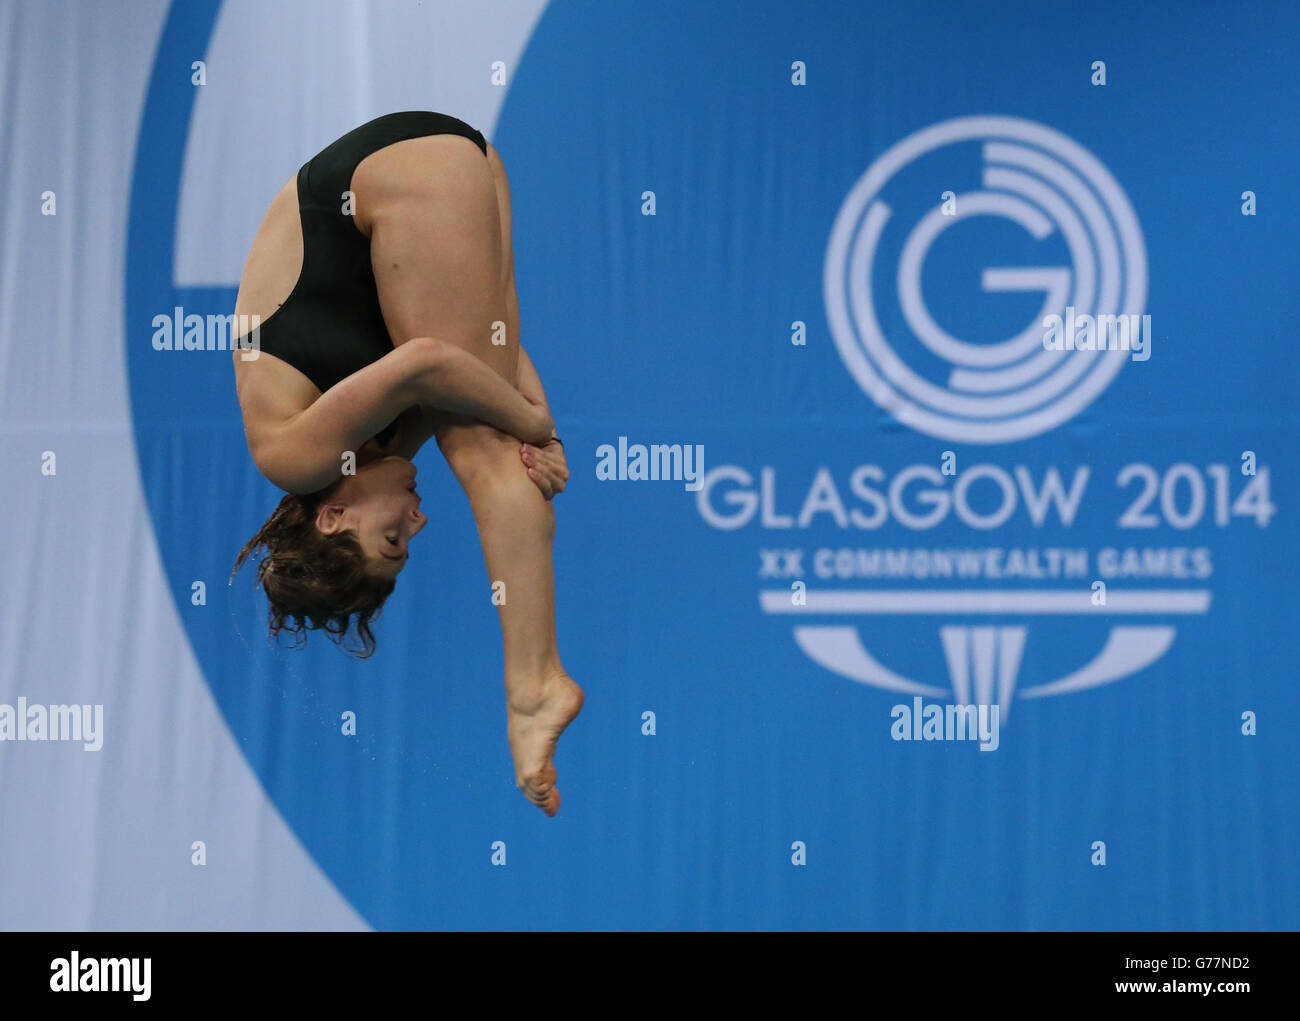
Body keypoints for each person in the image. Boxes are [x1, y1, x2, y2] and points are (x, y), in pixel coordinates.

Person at [229, 111, 581, 816]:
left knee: (484, 454)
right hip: (453, 160)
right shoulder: (370, 448)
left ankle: (535, 684)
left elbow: (428, 360)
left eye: (392, 538)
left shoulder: (291, 453)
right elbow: (488, 358)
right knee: (492, 441)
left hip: (385, 179)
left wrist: (533, 423)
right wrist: (543, 435)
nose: (418, 521)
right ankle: (536, 680)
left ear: (332, 517)